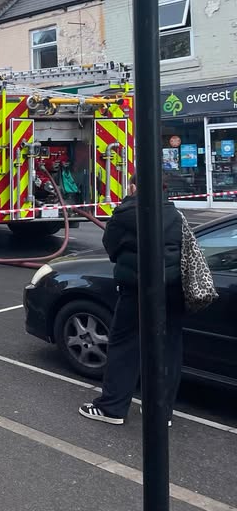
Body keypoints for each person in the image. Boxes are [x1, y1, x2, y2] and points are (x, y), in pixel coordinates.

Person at [79, 174, 184, 426]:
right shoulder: (174, 213)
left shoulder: (126, 213)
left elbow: (111, 245)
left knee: (125, 344)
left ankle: (112, 408)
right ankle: (161, 412)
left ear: (135, 187)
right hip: (172, 287)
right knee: (169, 346)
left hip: (137, 287)